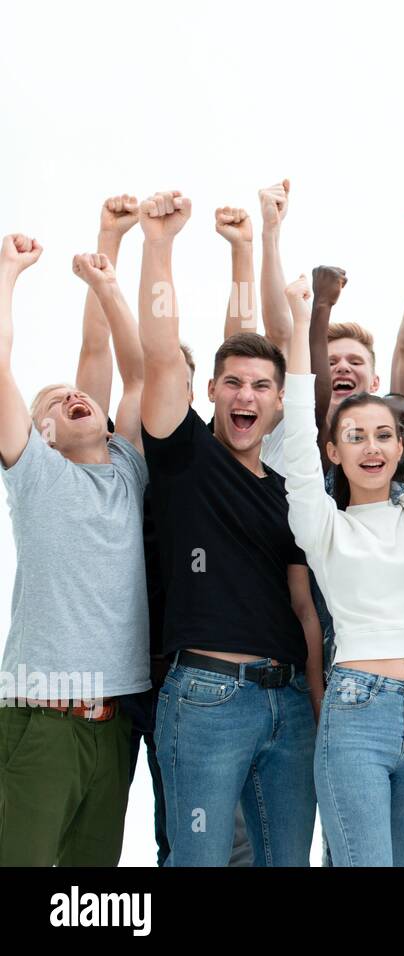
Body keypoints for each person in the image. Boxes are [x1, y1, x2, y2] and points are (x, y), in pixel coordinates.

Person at [135, 190, 323, 867]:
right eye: (233, 382)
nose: (247, 394)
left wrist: (246, 248)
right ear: (209, 390)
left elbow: (304, 608)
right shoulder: (185, 458)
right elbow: (159, 354)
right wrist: (161, 243)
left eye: (261, 386)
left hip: (291, 705)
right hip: (208, 697)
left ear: (278, 400)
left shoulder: (292, 493)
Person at [279, 271, 404, 866]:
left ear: (400, 446)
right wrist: (305, 319)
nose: (372, 446)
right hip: (359, 710)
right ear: (334, 451)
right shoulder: (323, 525)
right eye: (355, 436)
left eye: (384, 434)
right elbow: (301, 433)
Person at [0, 234, 149, 866]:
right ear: (38, 435)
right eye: (50, 403)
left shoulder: (129, 469)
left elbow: (125, 365)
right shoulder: (36, 475)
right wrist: (8, 271)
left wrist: (105, 267)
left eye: (76, 393)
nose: (69, 396)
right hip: (42, 717)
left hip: (115, 727)